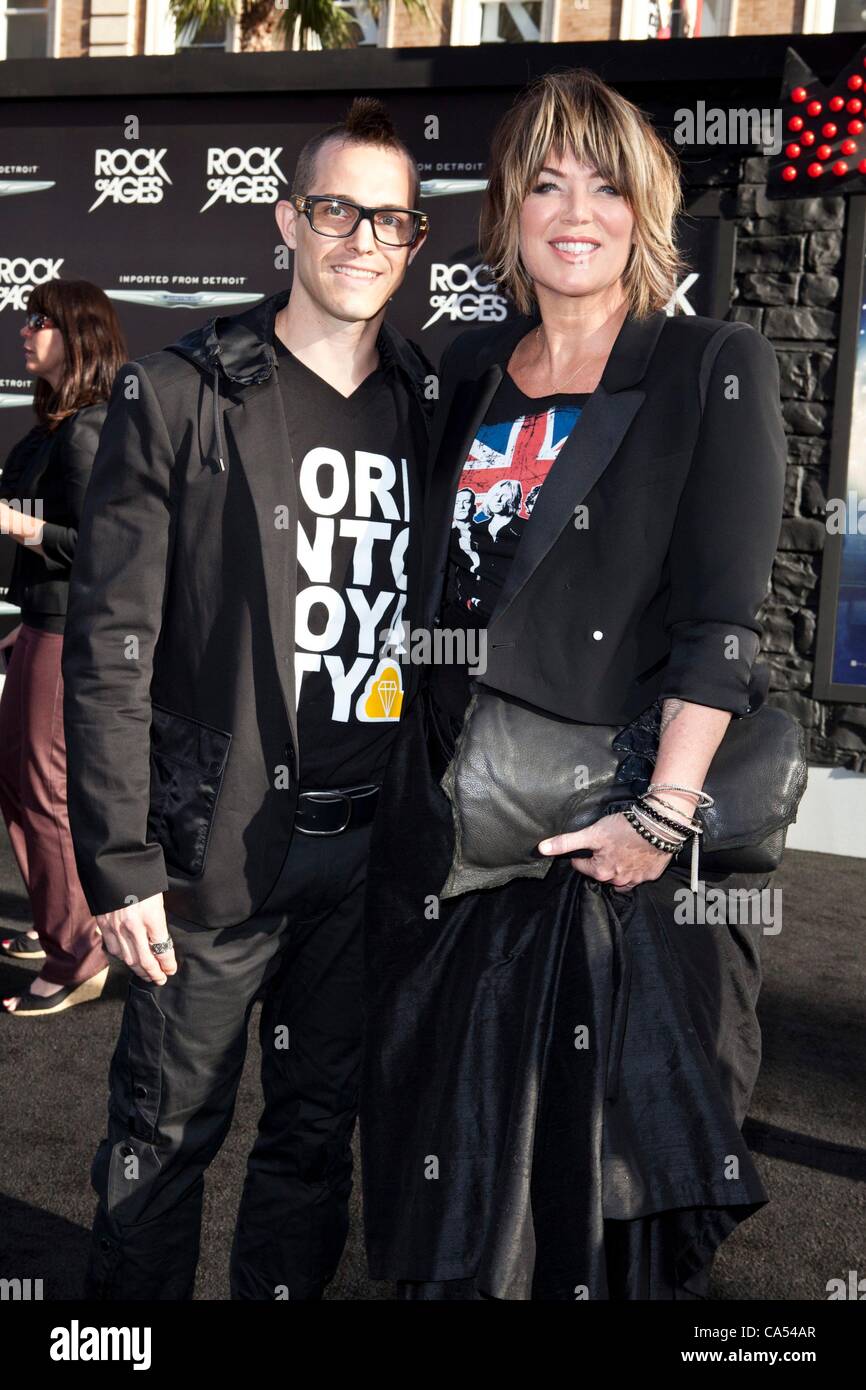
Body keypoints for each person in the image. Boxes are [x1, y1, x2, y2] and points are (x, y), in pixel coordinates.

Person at [360, 69, 787, 1300]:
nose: (573, 209)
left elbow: (720, 621)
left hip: (610, 846)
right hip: (452, 833)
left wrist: (659, 817)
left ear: (644, 203)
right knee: (441, 1179)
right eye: (543, 181)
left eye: (603, 181)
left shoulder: (709, 362)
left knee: (578, 1199)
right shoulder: (463, 368)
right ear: (507, 209)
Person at [61, 98, 432, 1300]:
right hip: (207, 863)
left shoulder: (433, 410)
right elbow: (111, 648)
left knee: (315, 1145)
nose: (362, 238)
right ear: (288, 220)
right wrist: (116, 865)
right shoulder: (181, 394)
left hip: (367, 855)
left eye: (390, 219)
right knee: (162, 1146)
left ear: (413, 241)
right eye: (337, 210)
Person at [0, 280, 125, 1016]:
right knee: (18, 782)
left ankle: (78, 952)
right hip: (40, 623)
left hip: (70, 631)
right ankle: (57, 923)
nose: (25, 331)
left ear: (76, 334)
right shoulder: (52, 427)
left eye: (40, 321)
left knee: (43, 790)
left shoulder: (90, 430)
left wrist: (20, 529)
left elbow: (107, 548)